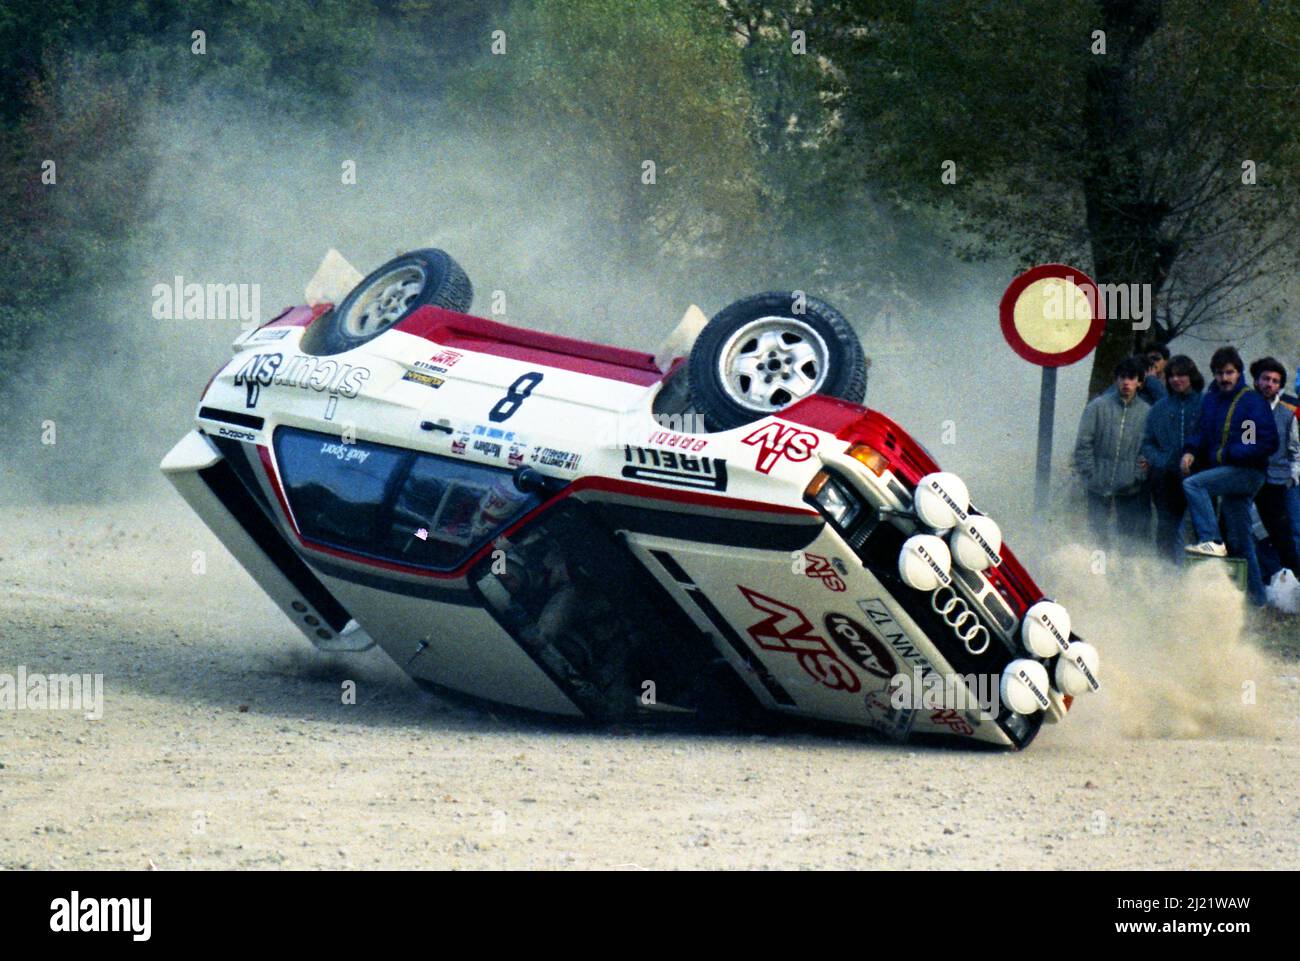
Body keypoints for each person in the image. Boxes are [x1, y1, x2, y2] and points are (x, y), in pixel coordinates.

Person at [1180, 346, 1279, 606]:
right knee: (1240, 538)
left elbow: (1258, 443)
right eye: (1220, 373)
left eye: (1229, 373)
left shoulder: (1250, 401)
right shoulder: (1211, 398)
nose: (1224, 378)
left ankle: (1211, 541)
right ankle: (1258, 600)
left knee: (1193, 484)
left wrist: (1226, 454)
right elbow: (1200, 430)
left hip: (1247, 472)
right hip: (1231, 471)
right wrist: (1190, 450)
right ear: (1213, 374)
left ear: (1239, 373)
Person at [1074, 356, 1152, 548]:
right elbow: (1083, 443)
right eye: (1122, 377)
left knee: (1127, 539)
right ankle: (1097, 576)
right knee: (1097, 538)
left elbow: (1148, 448)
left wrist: (1137, 475)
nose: (1126, 382)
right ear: (1116, 380)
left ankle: (1122, 576)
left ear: (1139, 382)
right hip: (1098, 486)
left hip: (1129, 489)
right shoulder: (1097, 407)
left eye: (1132, 378)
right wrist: (1091, 474)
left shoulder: (1148, 412)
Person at [1139, 355, 1204, 559]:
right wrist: (1162, 461)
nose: (1176, 380)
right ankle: (1165, 579)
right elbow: (1147, 443)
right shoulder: (1160, 408)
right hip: (1167, 479)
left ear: (1191, 376)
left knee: (1203, 532)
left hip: (1201, 477)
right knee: (1166, 531)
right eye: (1172, 376)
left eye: (1181, 375)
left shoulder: (1206, 404)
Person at [1248, 357, 1300, 577]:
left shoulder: (1288, 413)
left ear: (1280, 385)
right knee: (1252, 530)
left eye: (1275, 381)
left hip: (1279, 481)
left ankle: (1292, 577)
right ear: (1257, 381)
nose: (1269, 384)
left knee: (1283, 532)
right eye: (1266, 379)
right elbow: (1246, 443)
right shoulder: (1247, 408)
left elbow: (1294, 448)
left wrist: (1293, 475)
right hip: (1250, 479)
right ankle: (1262, 578)